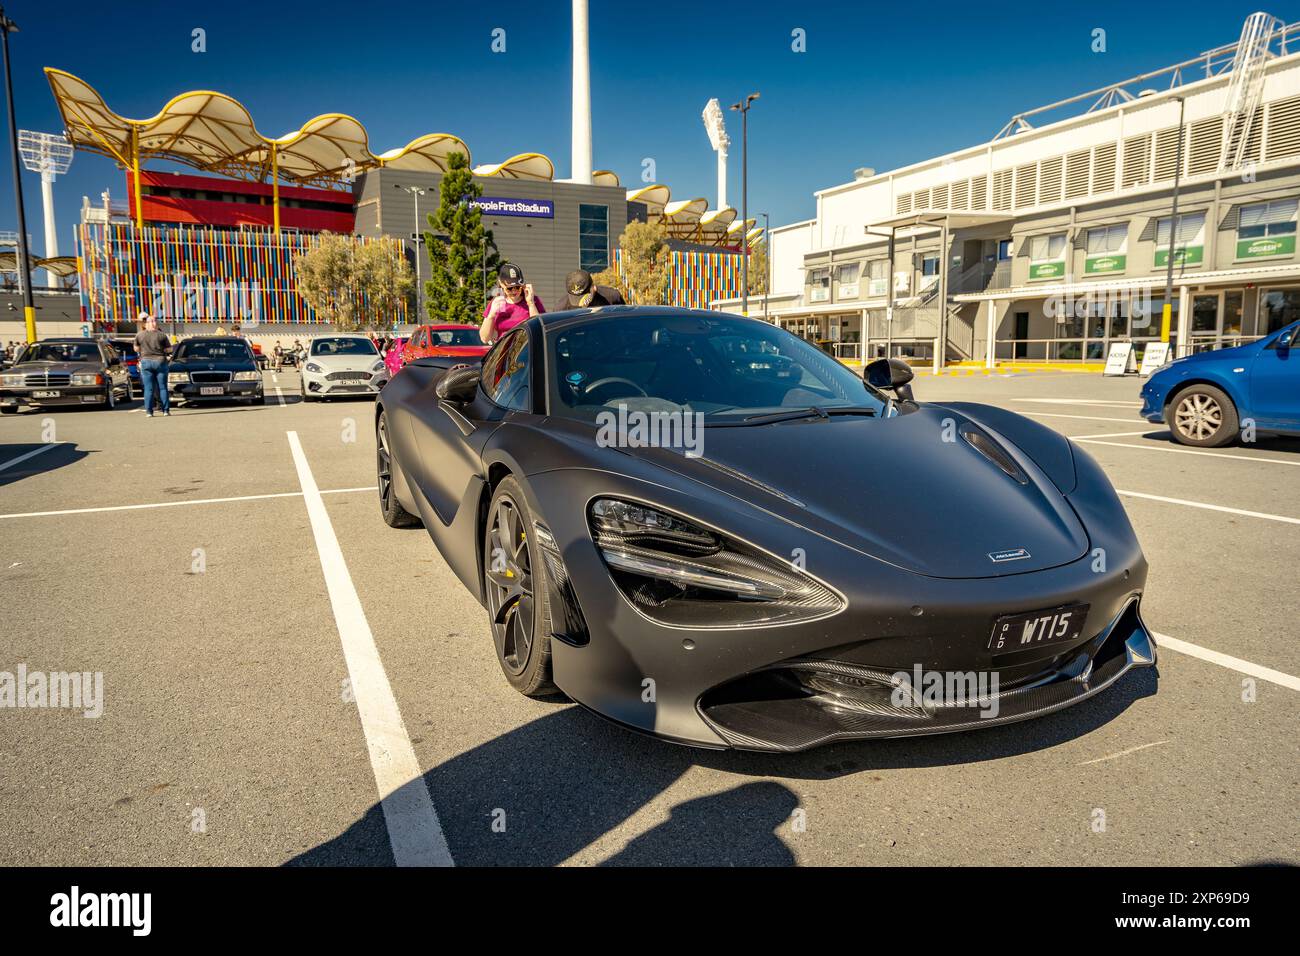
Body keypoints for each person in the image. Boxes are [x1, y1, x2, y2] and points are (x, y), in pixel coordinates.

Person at [480, 263, 544, 344]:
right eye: (509, 288)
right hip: (504, 351)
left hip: (527, 349)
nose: (514, 291)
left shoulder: (533, 300)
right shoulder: (496, 302)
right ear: (501, 284)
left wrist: (531, 304)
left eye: (517, 287)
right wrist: (491, 315)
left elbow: (539, 331)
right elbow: (484, 338)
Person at [133, 311, 173, 418]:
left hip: (146, 362)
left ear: (146, 324)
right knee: (163, 387)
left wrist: (144, 349)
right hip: (160, 361)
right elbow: (169, 349)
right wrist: (163, 350)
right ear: (155, 324)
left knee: (148, 388)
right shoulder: (162, 335)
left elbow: (136, 348)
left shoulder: (139, 335)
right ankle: (165, 410)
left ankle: (149, 412)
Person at [558, 269, 625, 310]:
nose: (581, 304)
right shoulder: (561, 309)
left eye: (584, 296)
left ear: (593, 288)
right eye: (575, 297)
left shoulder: (612, 297)